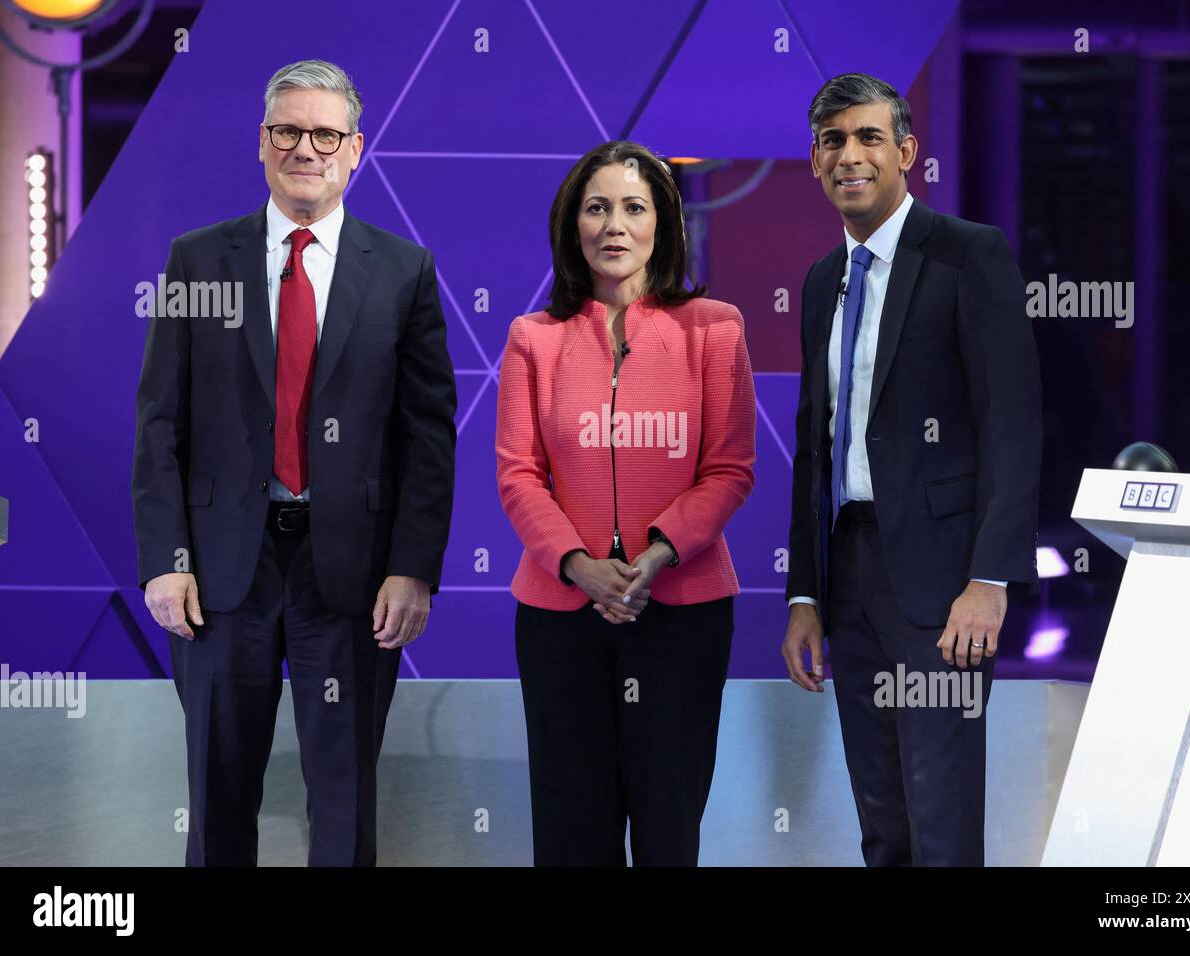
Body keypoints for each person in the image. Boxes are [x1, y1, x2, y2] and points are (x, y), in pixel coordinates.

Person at [132, 59, 456, 866]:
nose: (304, 148)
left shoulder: (404, 271)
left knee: (343, 805)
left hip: (350, 575)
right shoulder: (197, 261)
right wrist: (165, 561)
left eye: (324, 134)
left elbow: (428, 437)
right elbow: (158, 425)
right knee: (217, 794)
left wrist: (413, 567)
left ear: (355, 150)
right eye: (287, 130)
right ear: (262, 144)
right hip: (217, 573)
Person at [781, 73, 1042, 866]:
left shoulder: (969, 253)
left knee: (941, 818)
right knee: (884, 823)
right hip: (850, 575)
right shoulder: (824, 280)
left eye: (867, 138)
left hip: (946, 586)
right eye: (833, 141)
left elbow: (1014, 424)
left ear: (907, 153)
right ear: (815, 160)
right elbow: (815, 445)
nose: (849, 156)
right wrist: (804, 593)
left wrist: (991, 579)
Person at [496, 141, 756, 866]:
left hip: (681, 612)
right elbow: (518, 475)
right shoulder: (533, 339)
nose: (615, 224)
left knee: (669, 830)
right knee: (572, 830)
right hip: (561, 618)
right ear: (573, 224)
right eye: (597, 207)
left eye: (634, 208)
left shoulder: (715, 328)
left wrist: (655, 555)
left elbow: (730, 469)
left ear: (663, 225)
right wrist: (579, 564)